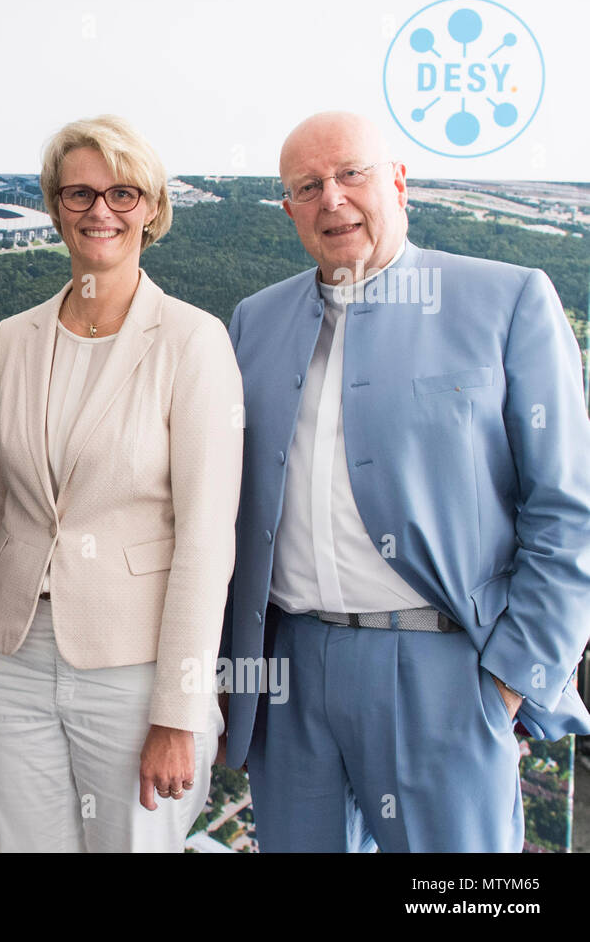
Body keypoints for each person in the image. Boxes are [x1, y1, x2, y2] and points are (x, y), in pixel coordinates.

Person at [222, 110, 590, 852]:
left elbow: (566, 507)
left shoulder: (509, 300)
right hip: (287, 670)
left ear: (397, 183)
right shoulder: (252, 321)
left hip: (441, 668)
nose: (332, 199)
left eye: (351, 174)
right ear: (289, 209)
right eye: (308, 186)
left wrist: (514, 675)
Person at [0, 115, 243, 852]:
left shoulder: (193, 341)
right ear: (54, 205)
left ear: (152, 209)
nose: (99, 210)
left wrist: (180, 709)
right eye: (79, 193)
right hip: (10, 660)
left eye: (122, 193)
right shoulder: (15, 338)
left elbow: (206, 540)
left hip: (134, 670)